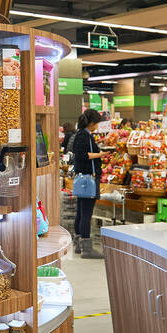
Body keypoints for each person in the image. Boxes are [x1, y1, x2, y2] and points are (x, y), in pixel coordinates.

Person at [70, 109, 104, 259]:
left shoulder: (80, 134)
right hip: (88, 179)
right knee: (86, 213)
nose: (97, 126)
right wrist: (101, 154)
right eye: (96, 123)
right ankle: (86, 248)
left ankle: (78, 243)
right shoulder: (84, 136)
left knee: (80, 211)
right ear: (91, 123)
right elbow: (83, 155)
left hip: (81, 178)